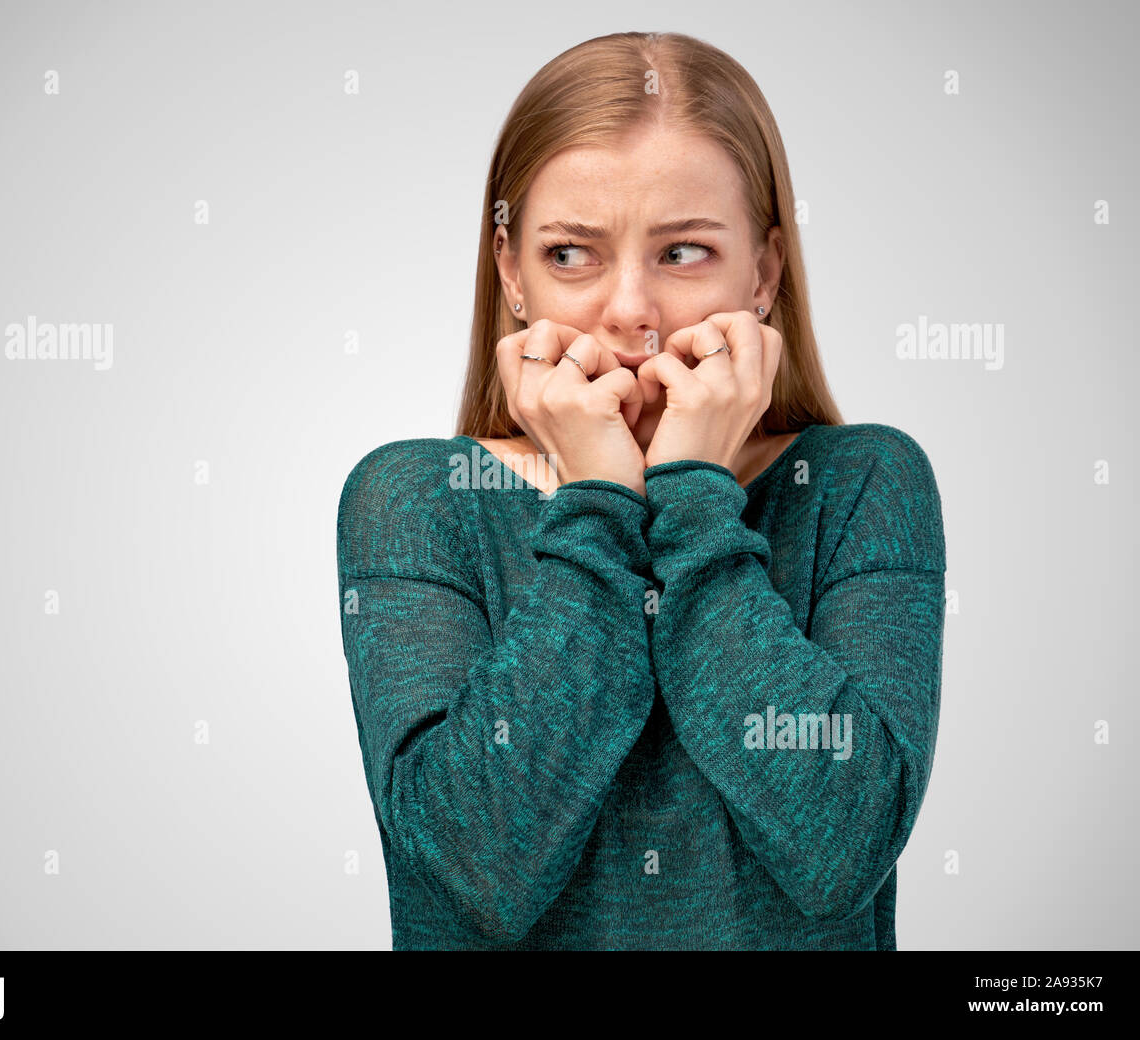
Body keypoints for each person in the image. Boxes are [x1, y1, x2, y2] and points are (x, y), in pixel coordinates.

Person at [335, 30, 946, 950]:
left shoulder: (863, 484)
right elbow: (482, 870)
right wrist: (600, 504)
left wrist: (692, 495)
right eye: (572, 255)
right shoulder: (415, 500)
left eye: (684, 252)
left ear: (765, 273)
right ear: (511, 273)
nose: (629, 311)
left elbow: (839, 848)